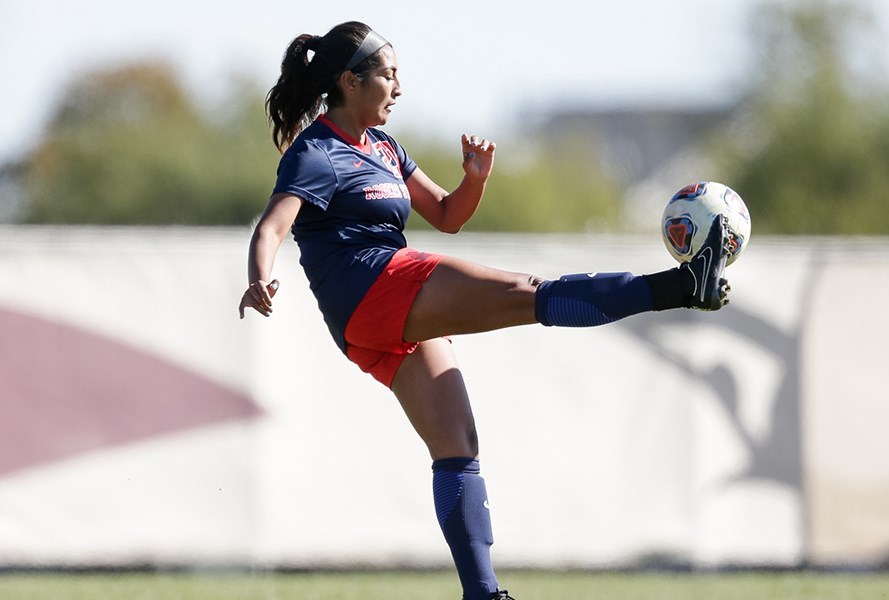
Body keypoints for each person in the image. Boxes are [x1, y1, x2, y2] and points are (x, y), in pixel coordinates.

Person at [239, 21, 733, 600]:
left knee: (457, 444)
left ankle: (483, 594)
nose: (399, 87)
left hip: (372, 319)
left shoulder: (387, 148)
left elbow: (448, 215)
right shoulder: (317, 150)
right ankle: (678, 287)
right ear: (350, 81)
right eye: (389, 75)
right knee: (528, 292)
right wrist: (259, 278)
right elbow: (272, 226)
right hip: (373, 287)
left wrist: (473, 181)